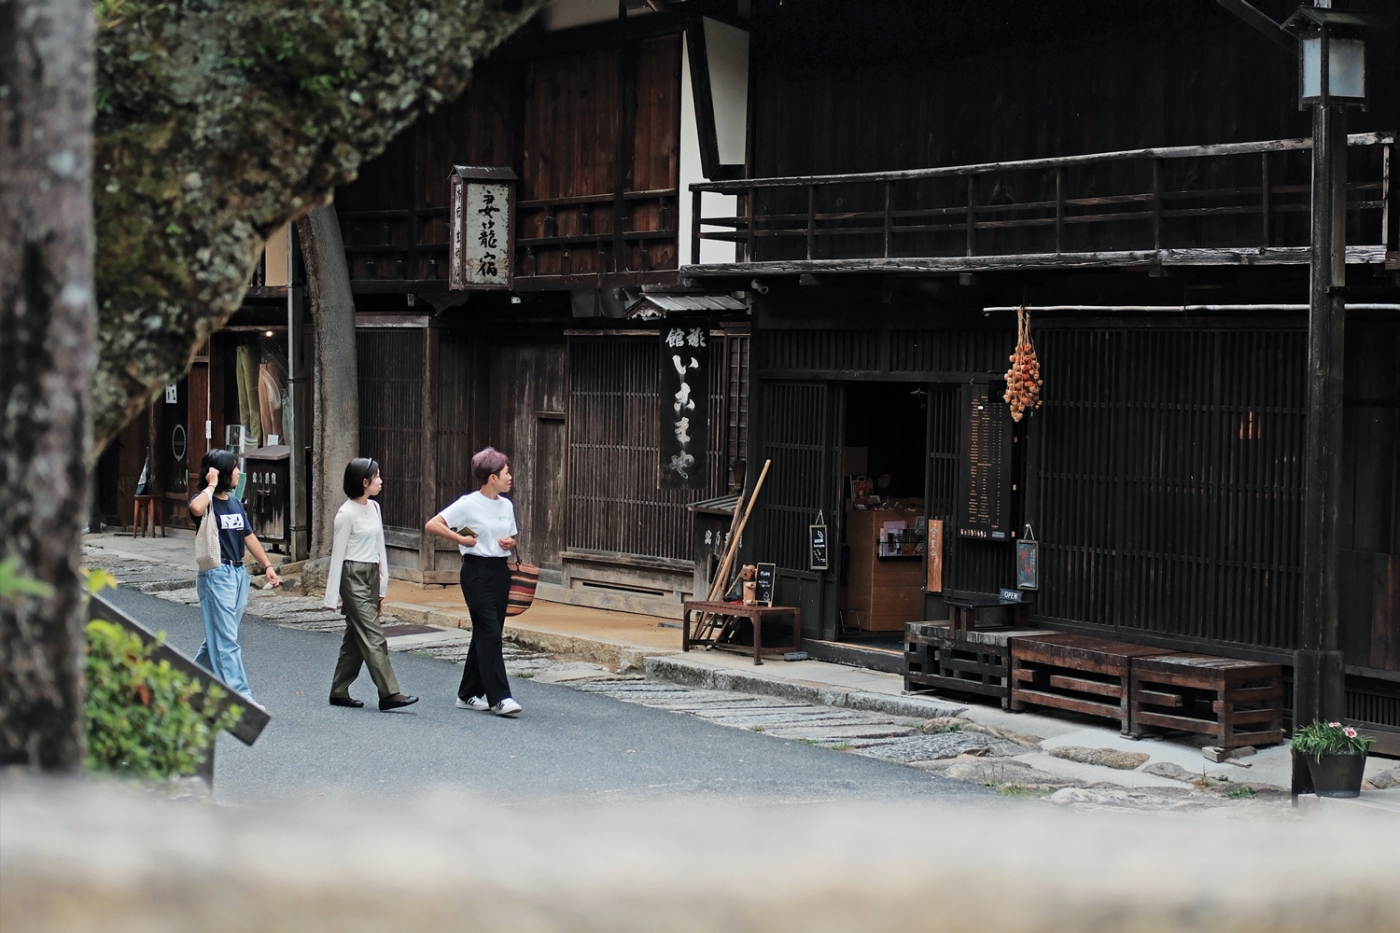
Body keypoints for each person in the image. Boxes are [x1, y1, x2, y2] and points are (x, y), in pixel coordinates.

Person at [425, 447, 522, 717]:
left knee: (487, 632)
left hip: (500, 571)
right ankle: (500, 697)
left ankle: (467, 693)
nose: (510, 476)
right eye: (505, 472)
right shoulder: (468, 503)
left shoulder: (506, 505)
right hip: (476, 572)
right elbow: (433, 524)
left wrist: (509, 543)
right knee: (490, 632)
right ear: (492, 477)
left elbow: (511, 538)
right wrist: (460, 539)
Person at [324, 458, 418, 712]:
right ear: (364, 482)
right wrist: (332, 597)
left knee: (356, 637)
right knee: (374, 635)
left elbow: (379, 549)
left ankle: (339, 690)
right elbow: (338, 555)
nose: (380, 480)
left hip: (372, 574)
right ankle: (389, 693)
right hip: (352, 575)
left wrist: (383, 586)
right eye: (376, 477)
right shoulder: (345, 514)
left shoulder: (374, 508)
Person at [188, 448, 280, 702]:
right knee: (226, 639)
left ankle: (188, 691)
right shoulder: (204, 501)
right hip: (216, 574)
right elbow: (196, 508)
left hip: (238, 575)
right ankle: (241, 697)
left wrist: (267, 566)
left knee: (219, 636)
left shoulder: (235, 503)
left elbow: (248, 536)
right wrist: (210, 486)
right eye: (235, 468)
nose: (239, 472)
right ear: (220, 473)